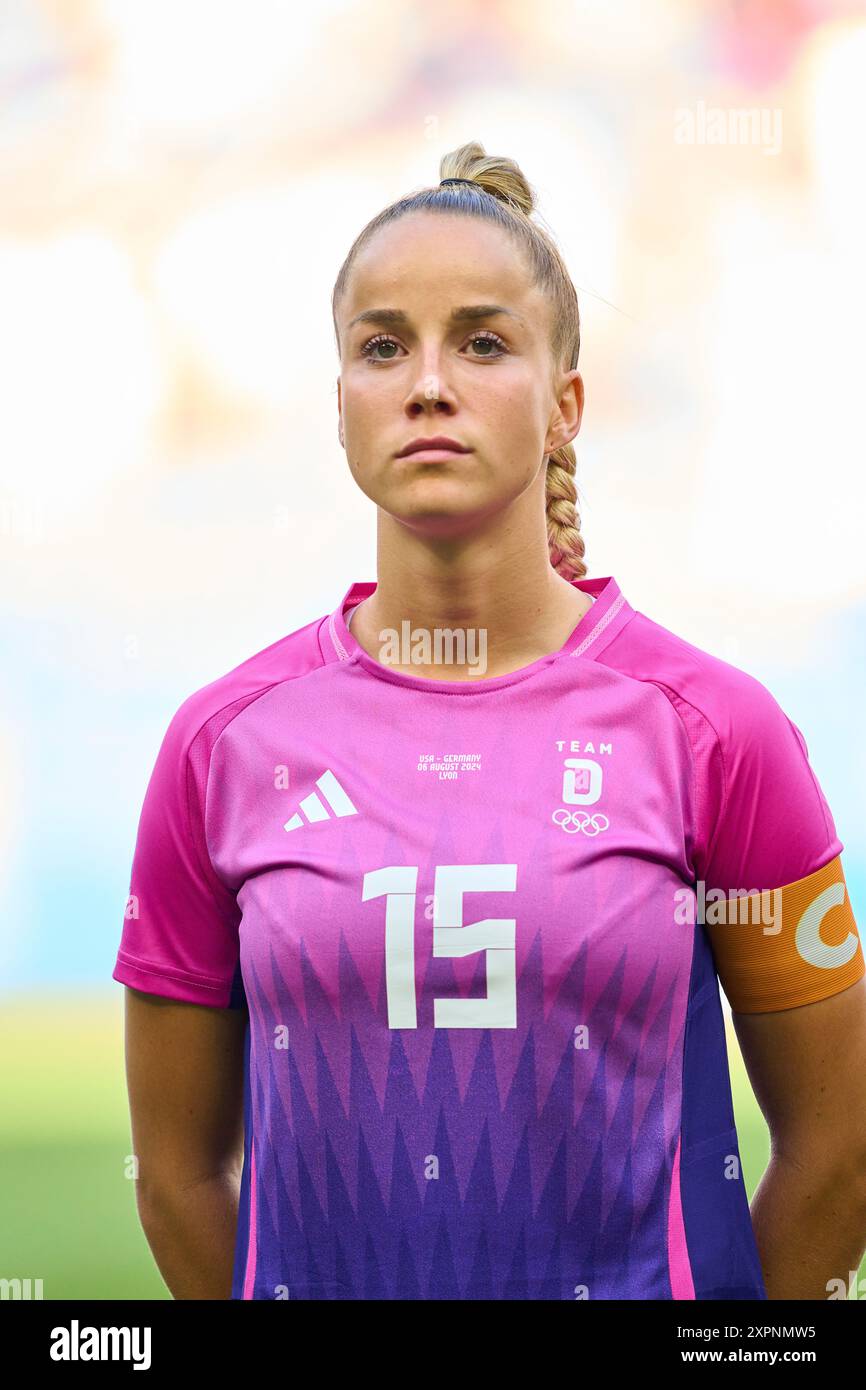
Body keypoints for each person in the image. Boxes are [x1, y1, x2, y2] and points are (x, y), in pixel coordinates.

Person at [114, 140, 866, 1301]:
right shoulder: (220, 746)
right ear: (339, 406)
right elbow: (174, 1177)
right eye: (381, 346)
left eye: (480, 341)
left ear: (564, 404)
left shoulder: (716, 732)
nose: (425, 382)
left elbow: (841, 1154)